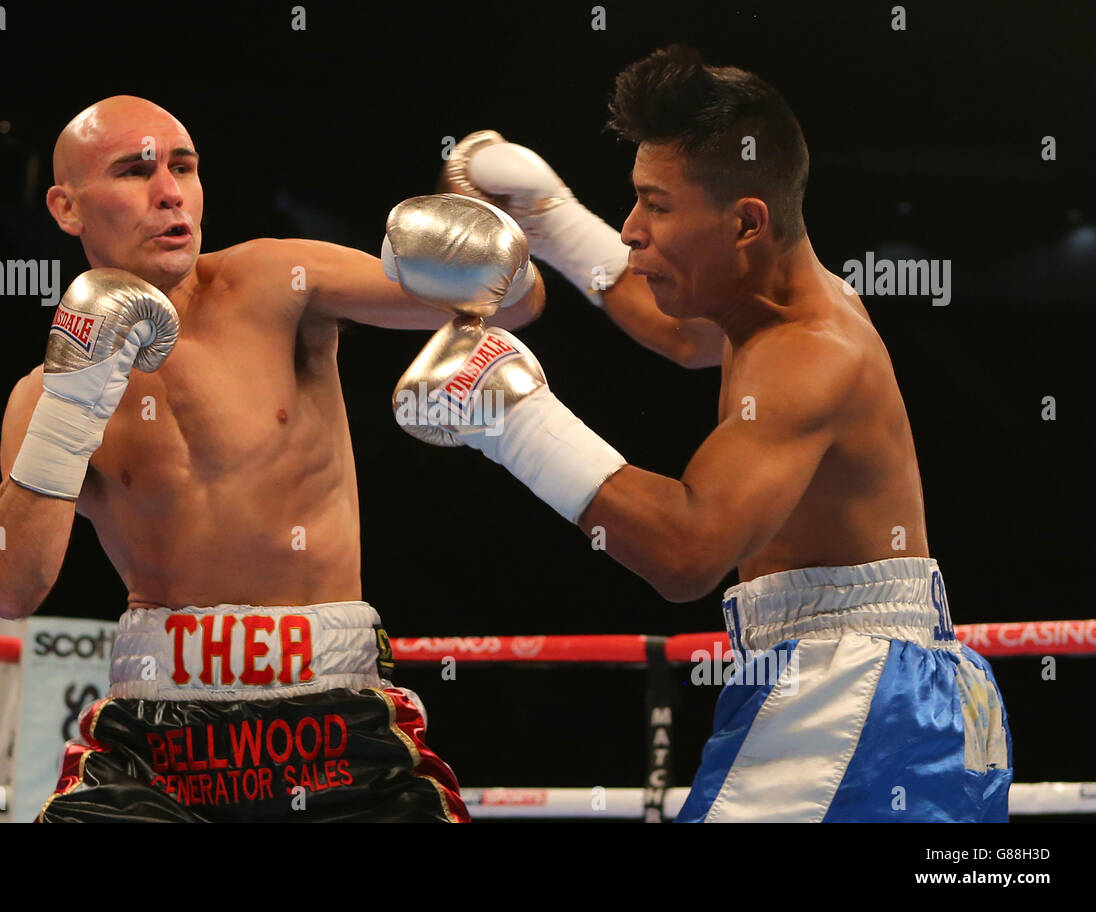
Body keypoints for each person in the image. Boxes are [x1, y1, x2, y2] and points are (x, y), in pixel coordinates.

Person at [399, 45, 1012, 822]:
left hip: (852, 694)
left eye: (656, 206)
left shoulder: (806, 353)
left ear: (746, 221)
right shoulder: (775, 310)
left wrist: (511, 415)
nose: (629, 230)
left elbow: (687, 552)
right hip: (881, 694)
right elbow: (680, 333)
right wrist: (551, 219)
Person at [0, 95, 544, 821]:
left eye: (183, 166)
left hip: (334, 722)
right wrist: (70, 408)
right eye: (134, 170)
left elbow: (505, 303)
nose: (169, 191)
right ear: (66, 207)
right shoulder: (42, 395)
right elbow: (9, 590)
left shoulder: (277, 281)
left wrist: (505, 244)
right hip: (156, 740)